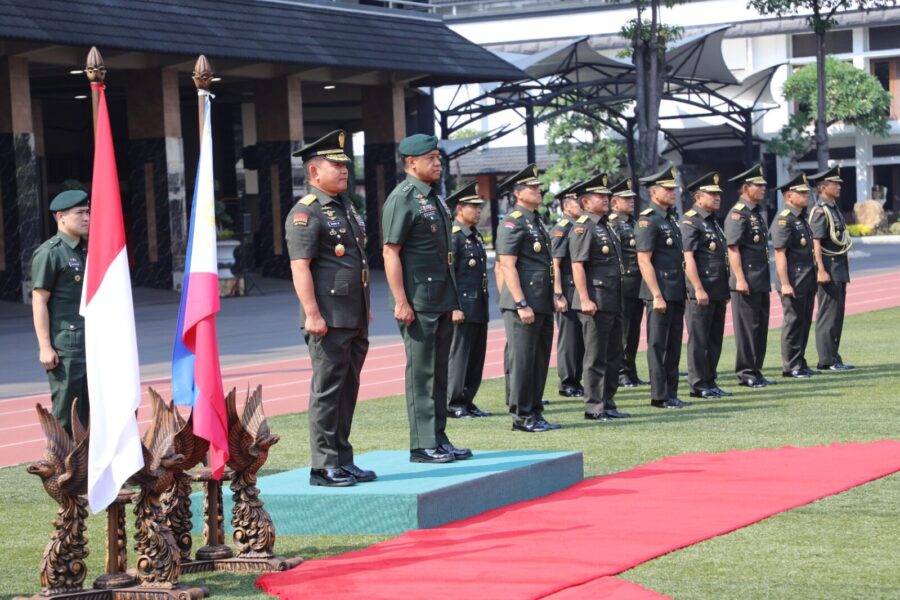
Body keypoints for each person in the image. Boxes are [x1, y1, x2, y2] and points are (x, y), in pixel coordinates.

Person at [285, 130, 374, 487]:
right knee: (327, 391)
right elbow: (299, 266)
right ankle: (323, 465)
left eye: (344, 165)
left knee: (347, 389)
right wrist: (312, 314)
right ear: (313, 172)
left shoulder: (346, 207)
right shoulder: (307, 213)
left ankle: (342, 457)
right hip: (327, 319)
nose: (343, 171)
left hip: (352, 315)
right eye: (334, 165)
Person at [382, 133, 472, 463]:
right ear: (410, 163)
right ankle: (422, 444)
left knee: (439, 373)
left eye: (438, 157)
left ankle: (438, 436)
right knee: (422, 375)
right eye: (431, 158)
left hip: (441, 298)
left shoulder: (433, 198)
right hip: (418, 302)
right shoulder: (403, 198)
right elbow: (390, 252)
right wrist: (401, 301)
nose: (438, 163)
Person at [495, 164, 560, 432]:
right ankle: (522, 416)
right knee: (523, 360)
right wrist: (521, 303)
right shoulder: (513, 222)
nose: (539, 191)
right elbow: (507, 265)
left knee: (539, 359)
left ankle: (535, 410)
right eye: (533, 188)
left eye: (538, 188)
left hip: (541, 300)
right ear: (518, 193)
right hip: (524, 304)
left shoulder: (536, 221)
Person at [567, 174, 631, 421]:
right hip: (595, 301)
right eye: (599, 196)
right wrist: (584, 298)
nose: (605, 199)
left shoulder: (606, 226)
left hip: (612, 300)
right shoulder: (584, 227)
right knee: (595, 356)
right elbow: (578, 265)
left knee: (614, 354)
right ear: (585, 202)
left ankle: (608, 402)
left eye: (606, 195)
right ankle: (594, 406)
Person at [31, 190, 91, 436]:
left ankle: (85, 468)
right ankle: (61, 469)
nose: (86, 217)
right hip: (67, 347)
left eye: (88, 212)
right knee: (67, 412)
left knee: (90, 410)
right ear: (61, 217)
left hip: (92, 342)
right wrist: (45, 346)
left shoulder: (88, 250)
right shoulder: (50, 253)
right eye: (80, 213)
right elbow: (39, 301)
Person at [634, 166, 692, 409]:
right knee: (658, 345)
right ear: (653, 192)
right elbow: (644, 259)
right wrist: (656, 294)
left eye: (673, 189)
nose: (672, 193)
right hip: (659, 293)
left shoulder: (669, 218)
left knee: (673, 344)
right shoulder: (648, 220)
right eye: (667, 189)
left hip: (675, 291)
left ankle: (672, 392)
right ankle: (659, 396)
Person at [680, 172, 732, 399]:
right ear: (698, 197)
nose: (717, 197)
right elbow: (688, 258)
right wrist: (697, 288)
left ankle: (710, 381)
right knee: (699, 339)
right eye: (712, 194)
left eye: (718, 193)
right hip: (701, 289)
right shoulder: (691, 221)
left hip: (717, 289)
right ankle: (698, 384)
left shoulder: (711, 221)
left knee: (714, 339)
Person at [725, 164, 776, 388]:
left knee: (760, 327)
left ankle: (756, 370)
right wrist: (740, 278)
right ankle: (746, 372)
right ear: (746, 188)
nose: (763, 188)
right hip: (746, 281)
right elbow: (733, 249)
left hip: (760, 280)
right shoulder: (738, 214)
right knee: (747, 329)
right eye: (759, 185)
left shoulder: (754, 213)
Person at [446, 182, 492, 419]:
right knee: (460, 356)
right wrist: (453, 306)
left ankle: (468, 399)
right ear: (459, 210)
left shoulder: (474, 236)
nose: (477, 210)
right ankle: (454, 403)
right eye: (472, 206)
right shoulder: (454, 237)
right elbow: (449, 273)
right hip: (462, 306)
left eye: (478, 206)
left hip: (478, 304)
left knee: (476, 356)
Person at [771, 173, 819, 379]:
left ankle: (800, 361)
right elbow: (780, 254)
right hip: (793, 280)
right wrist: (785, 283)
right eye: (802, 192)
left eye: (807, 192)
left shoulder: (800, 218)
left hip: (806, 278)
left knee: (804, 322)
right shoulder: (784, 220)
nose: (806, 195)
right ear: (789, 196)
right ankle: (791, 365)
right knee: (793, 322)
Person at [808, 166, 854, 371]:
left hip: (839, 268)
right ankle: (826, 360)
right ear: (823, 187)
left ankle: (834, 356)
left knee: (837, 315)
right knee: (828, 315)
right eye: (835, 184)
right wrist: (821, 269)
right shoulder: (820, 210)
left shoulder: (833, 208)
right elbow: (816, 242)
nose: (839, 187)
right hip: (829, 269)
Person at [607, 178, 648, 388]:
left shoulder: (633, 222)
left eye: (632, 198)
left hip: (637, 285)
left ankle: (631, 371)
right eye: (626, 199)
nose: (632, 201)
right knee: (623, 333)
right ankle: (621, 372)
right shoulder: (613, 224)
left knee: (633, 332)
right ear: (614, 202)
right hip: (624, 285)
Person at [549, 181, 585, 398]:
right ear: (566, 206)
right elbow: (555, 263)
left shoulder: (578, 226)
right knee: (569, 339)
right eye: (576, 201)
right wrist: (558, 294)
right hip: (568, 292)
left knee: (579, 339)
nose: (581, 205)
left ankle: (576, 379)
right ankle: (567, 382)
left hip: (578, 291)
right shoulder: (563, 229)